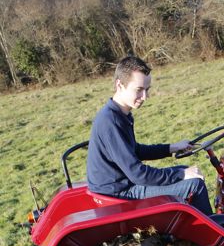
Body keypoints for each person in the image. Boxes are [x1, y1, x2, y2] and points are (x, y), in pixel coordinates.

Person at [86, 55, 214, 216]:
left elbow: (135, 151)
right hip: (119, 193)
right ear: (119, 85)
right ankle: (215, 238)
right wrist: (181, 175)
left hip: (123, 184)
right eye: (139, 90)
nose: (145, 97)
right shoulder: (110, 121)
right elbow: (138, 174)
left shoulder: (121, 114)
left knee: (185, 171)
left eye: (147, 90)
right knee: (194, 185)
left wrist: (171, 148)